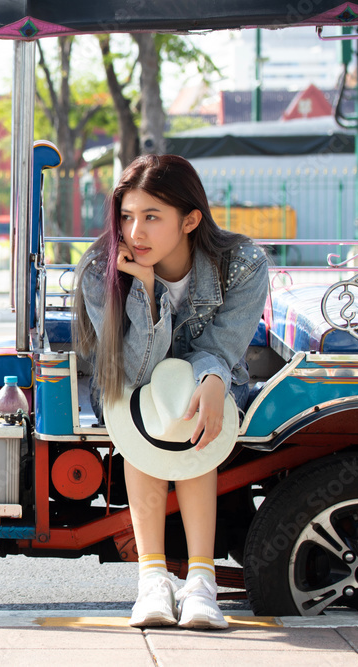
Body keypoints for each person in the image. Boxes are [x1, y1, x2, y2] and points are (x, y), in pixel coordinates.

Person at [72, 154, 269, 630]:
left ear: (190, 219)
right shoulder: (104, 269)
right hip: (126, 388)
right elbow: (136, 370)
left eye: (151, 217)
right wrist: (144, 292)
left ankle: (202, 584)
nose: (134, 231)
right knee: (157, 414)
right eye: (127, 216)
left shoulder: (240, 265)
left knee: (187, 408)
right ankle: (153, 579)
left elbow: (219, 349)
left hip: (207, 387)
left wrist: (214, 379)